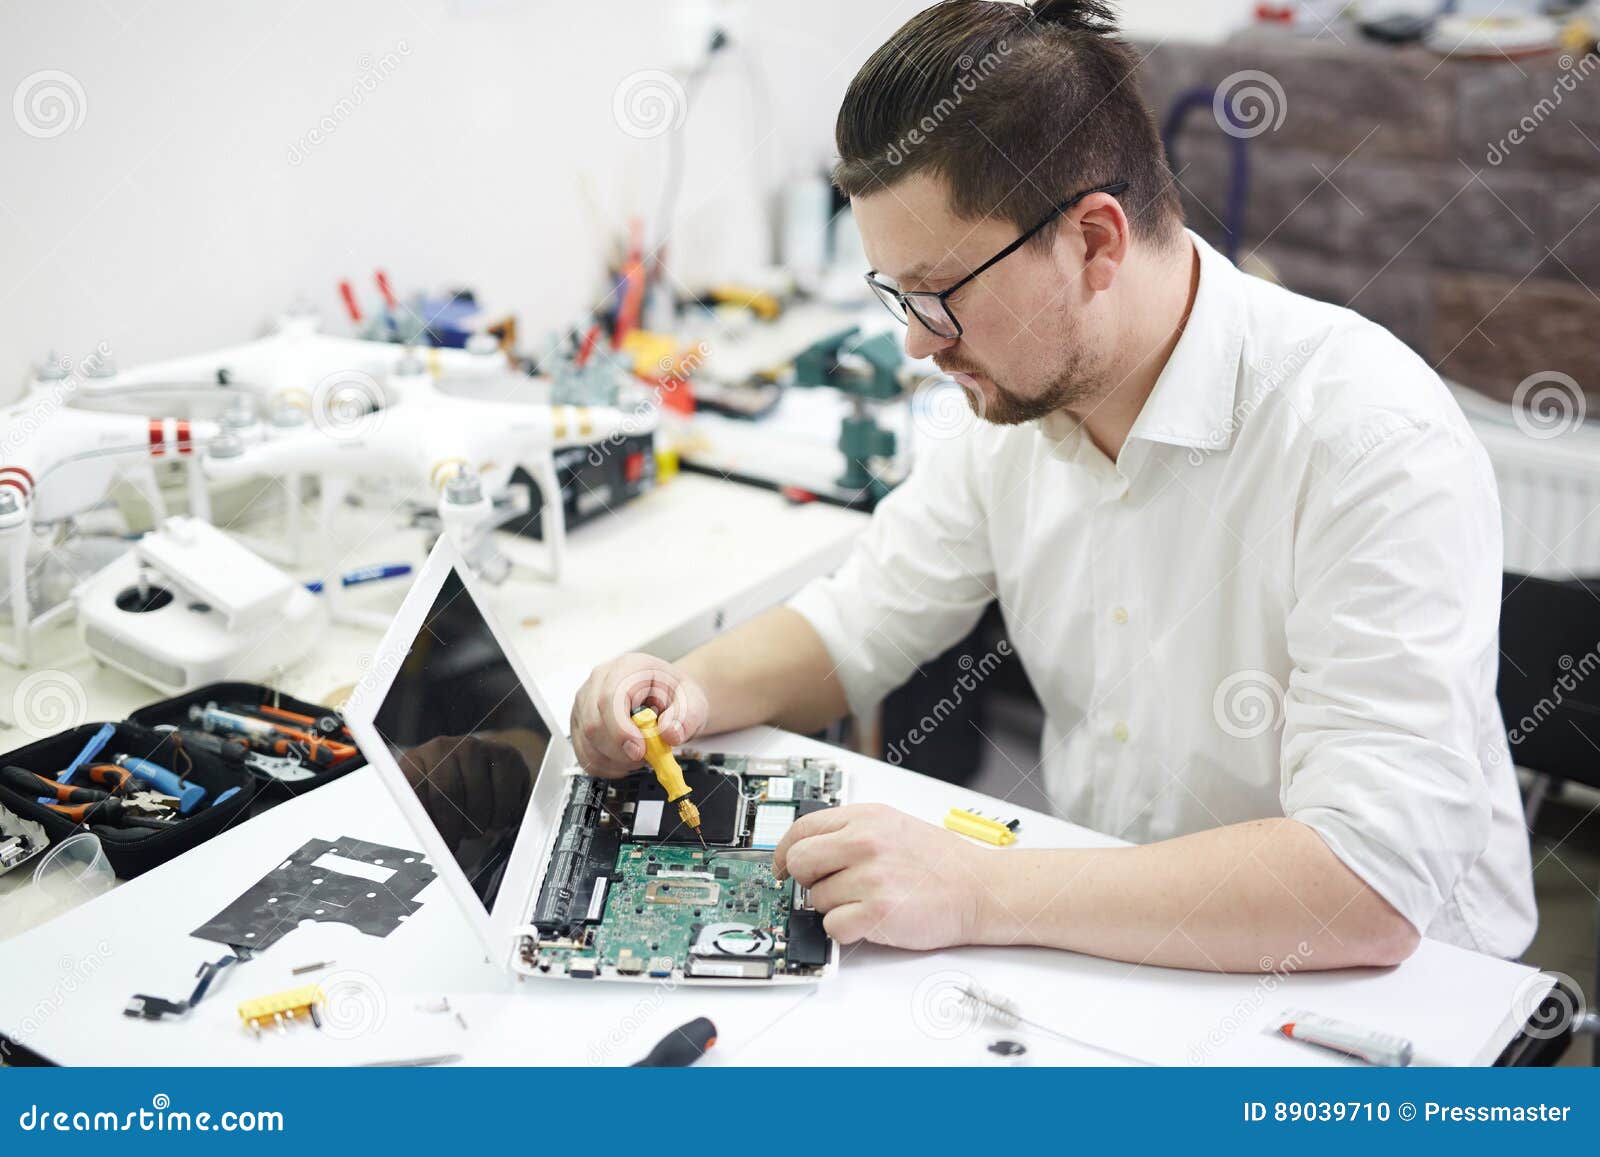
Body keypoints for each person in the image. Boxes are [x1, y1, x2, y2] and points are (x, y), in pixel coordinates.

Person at [571, 0, 1535, 971]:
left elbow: (1363, 884)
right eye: (896, 294)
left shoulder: (1370, 435)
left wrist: (975, 886)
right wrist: (683, 688)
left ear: (1095, 242)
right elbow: (859, 620)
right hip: (1120, 934)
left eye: (940, 292)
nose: (916, 340)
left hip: (1385, 998)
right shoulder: (1017, 411)